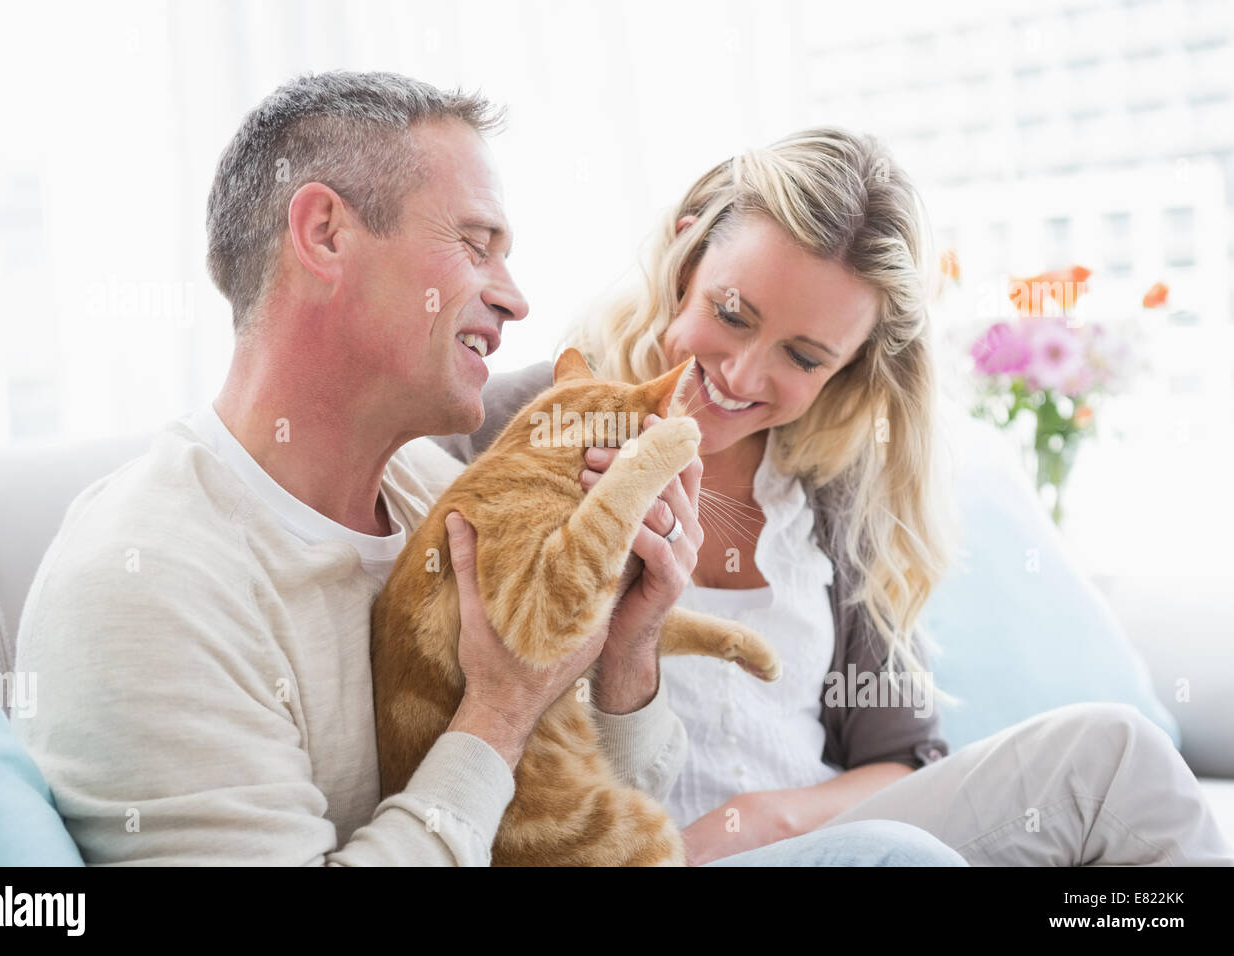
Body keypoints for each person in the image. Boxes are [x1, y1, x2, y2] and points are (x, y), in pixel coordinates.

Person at [9, 71, 962, 866]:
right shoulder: (148, 577)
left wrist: (626, 655)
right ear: (326, 234)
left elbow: (582, 827)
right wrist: (503, 707)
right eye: (475, 245)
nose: (515, 298)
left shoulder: (437, 496)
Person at [436, 127, 1234, 867]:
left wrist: (762, 818)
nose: (744, 376)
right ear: (686, 255)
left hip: (825, 850)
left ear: (848, 366)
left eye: (805, 357)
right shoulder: (515, 424)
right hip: (624, 850)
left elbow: (901, 754)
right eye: (732, 313)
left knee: (1117, 758)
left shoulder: (832, 484)